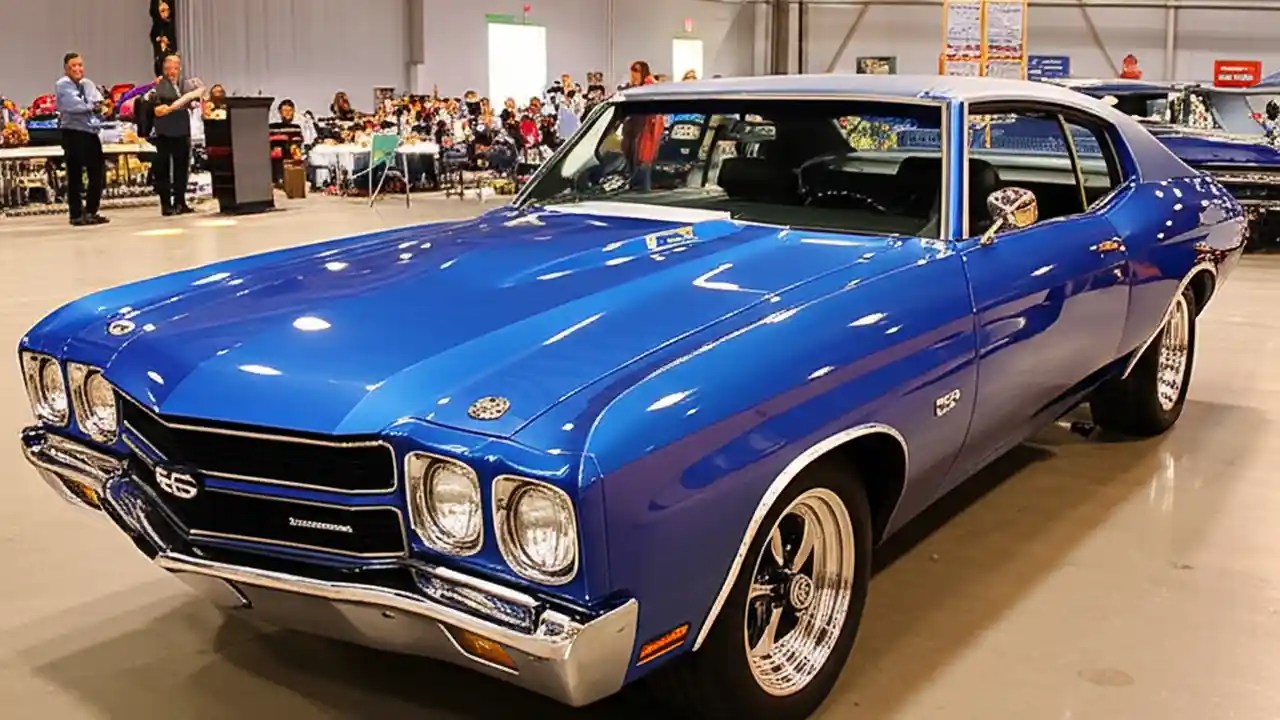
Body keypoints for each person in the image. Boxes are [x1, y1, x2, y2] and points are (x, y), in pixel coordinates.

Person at [54, 52, 108, 226]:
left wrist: (94, 106)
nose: (78, 69)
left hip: (90, 132)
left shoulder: (88, 84)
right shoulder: (63, 85)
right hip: (73, 132)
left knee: (97, 172)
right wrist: (92, 106)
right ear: (66, 69)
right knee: (75, 174)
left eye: (80, 65)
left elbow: (99, 102)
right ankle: (76, 214)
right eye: (73, 66)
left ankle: (92, 211)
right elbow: (74, 106)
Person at [151, 53, 201, 215]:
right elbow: (156, 107)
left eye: (175, 67)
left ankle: (180, 201)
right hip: (164, 131)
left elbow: (194, 98)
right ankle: (166, 204)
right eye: (169, 68)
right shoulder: (159, 85)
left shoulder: (184, 84)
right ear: (164, 69)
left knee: (182, 167)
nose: (172, 71)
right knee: (163, 169)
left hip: (182, 129)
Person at [621, 61, 664, 191]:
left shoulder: (647, 89)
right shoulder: (638, 89)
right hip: (636, 135)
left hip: (645, 136)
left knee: (643, 170)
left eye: (636, 72)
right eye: (632, 73)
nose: (633, 76)